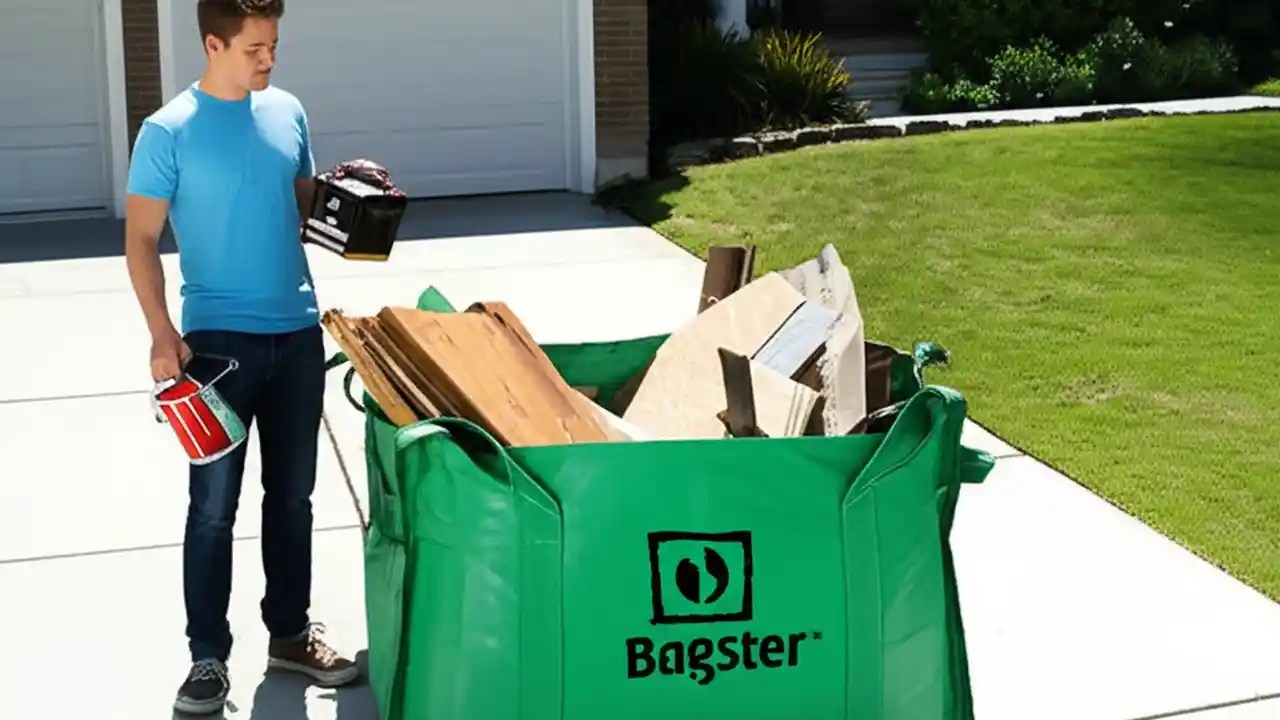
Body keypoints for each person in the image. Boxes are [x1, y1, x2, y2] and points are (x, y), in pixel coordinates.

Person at [123, 0, 358, 714]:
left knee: (292, 500)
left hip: (297, 334)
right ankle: (207, 659)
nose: (269, 59)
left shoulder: (287, 111)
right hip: (216, 349)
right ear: (214, 42)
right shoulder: (168, 131)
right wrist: (163, 333)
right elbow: (140, 240)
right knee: (213, 511)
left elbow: (302, 204)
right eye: (256, 47)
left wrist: (354, 201)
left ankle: (288, 634)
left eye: (276, 45)